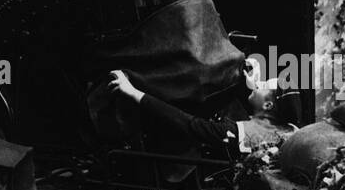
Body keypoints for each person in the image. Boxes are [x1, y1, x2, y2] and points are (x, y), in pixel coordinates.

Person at [107, 59, 294, 159]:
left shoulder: (239, 135)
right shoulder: (289, 129)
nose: (258, 84)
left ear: (268, 105)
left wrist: (132, 92)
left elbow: (188, 124)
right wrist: (251, 87)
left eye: (262, 86)